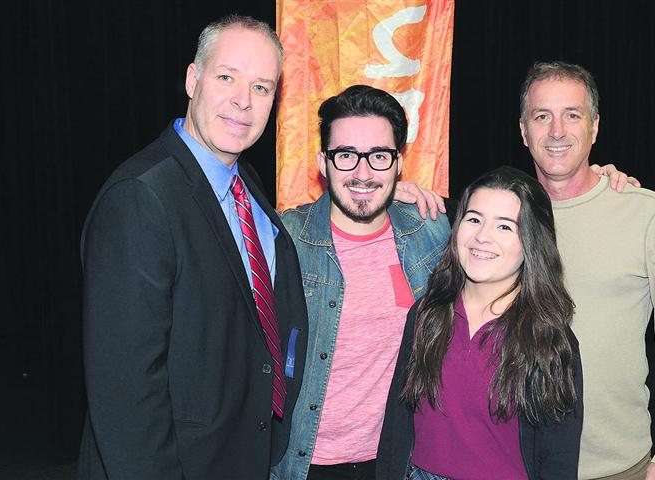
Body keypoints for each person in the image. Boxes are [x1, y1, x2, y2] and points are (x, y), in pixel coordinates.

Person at [78, 15, 308, 479]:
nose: (243, 101)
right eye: (227, 77)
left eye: (261, 87)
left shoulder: (245, 182)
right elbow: (126, 393)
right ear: (192, 79)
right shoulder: (140, 197)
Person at [518, 61, 655, 480]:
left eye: (572, 115)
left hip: (619, 466)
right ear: (523, 130)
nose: (556, 131)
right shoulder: (500, 216)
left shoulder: (645, 214)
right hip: (513, 463)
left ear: (595, 127)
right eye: (542, 116)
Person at [271, 85, 452, 480]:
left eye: (379, 156)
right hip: (304, 464)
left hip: (399, 462)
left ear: (398, 163)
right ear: (323, 163)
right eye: (346, 155)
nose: (363, 173)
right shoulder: (285, 240)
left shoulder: (431, 231)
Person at [376, 166, 583, 479]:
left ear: (532, 242)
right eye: (474, 219)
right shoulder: (426, 314)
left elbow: (559, 460)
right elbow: (396, 423)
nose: (482, 237)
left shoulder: (549, 338)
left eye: (505, 226)